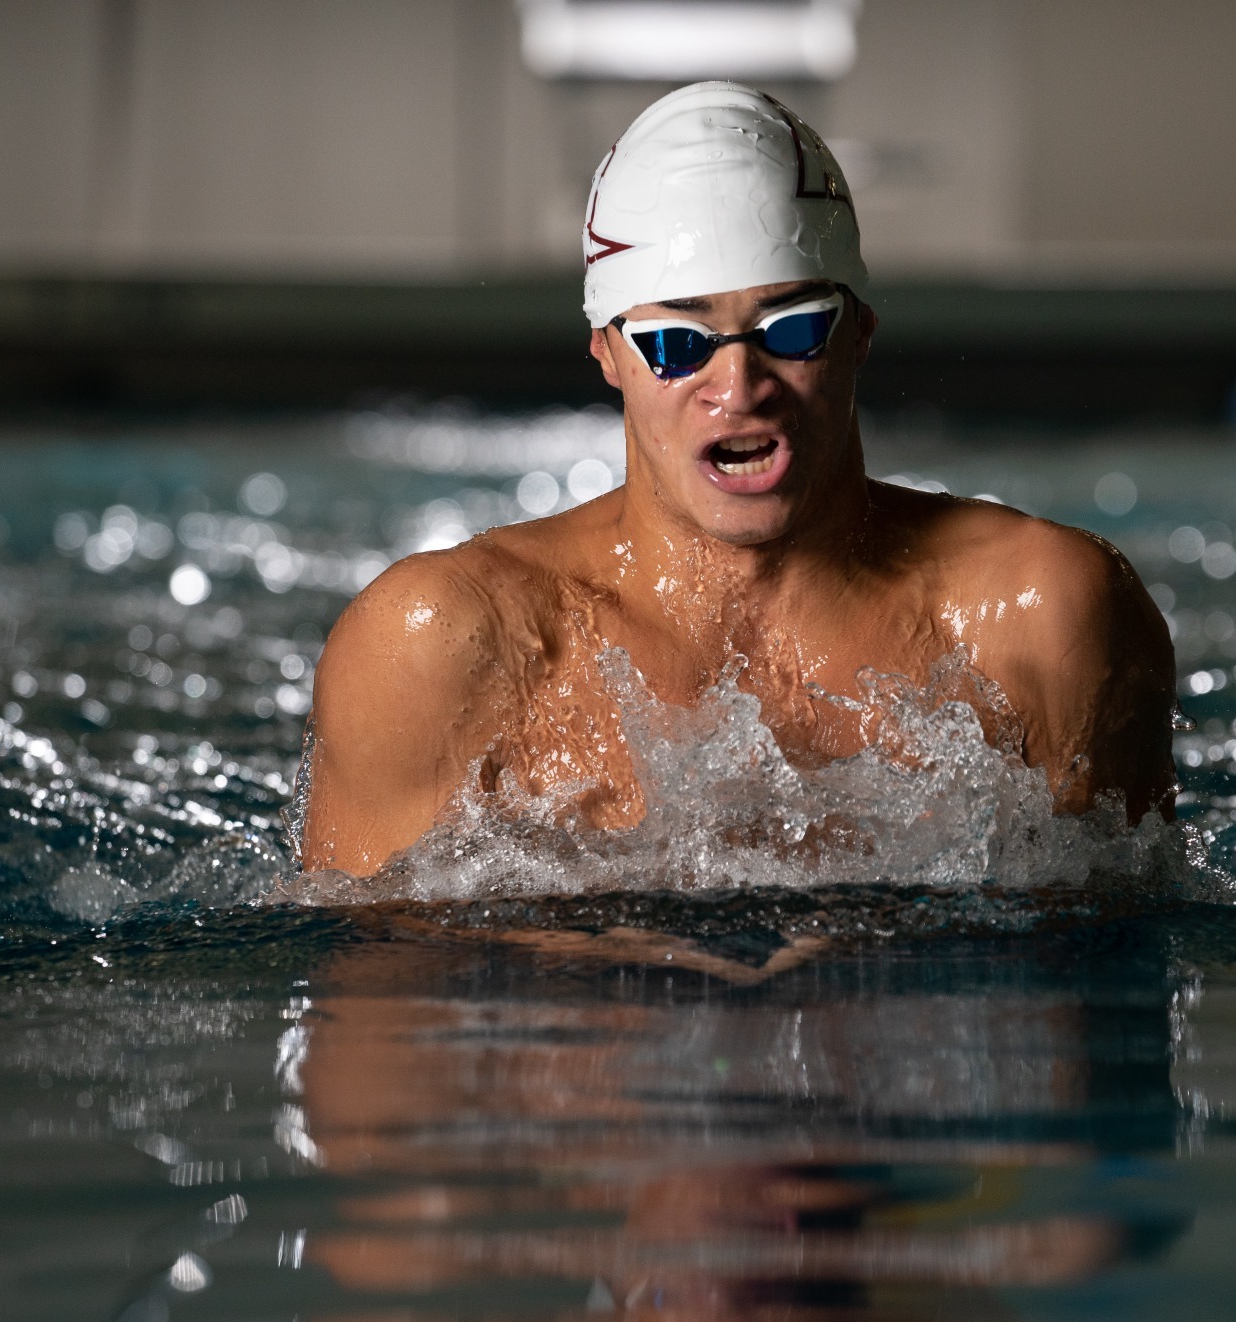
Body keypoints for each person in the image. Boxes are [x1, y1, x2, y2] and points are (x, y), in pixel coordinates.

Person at [302, 82, 1174, 878]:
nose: (739, 387)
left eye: (793, 329)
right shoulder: (437, 649)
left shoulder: (1043, 619)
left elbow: (1104, 987)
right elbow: (374, 1006)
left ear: (862, 331)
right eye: (676, 345)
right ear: (607, 352)